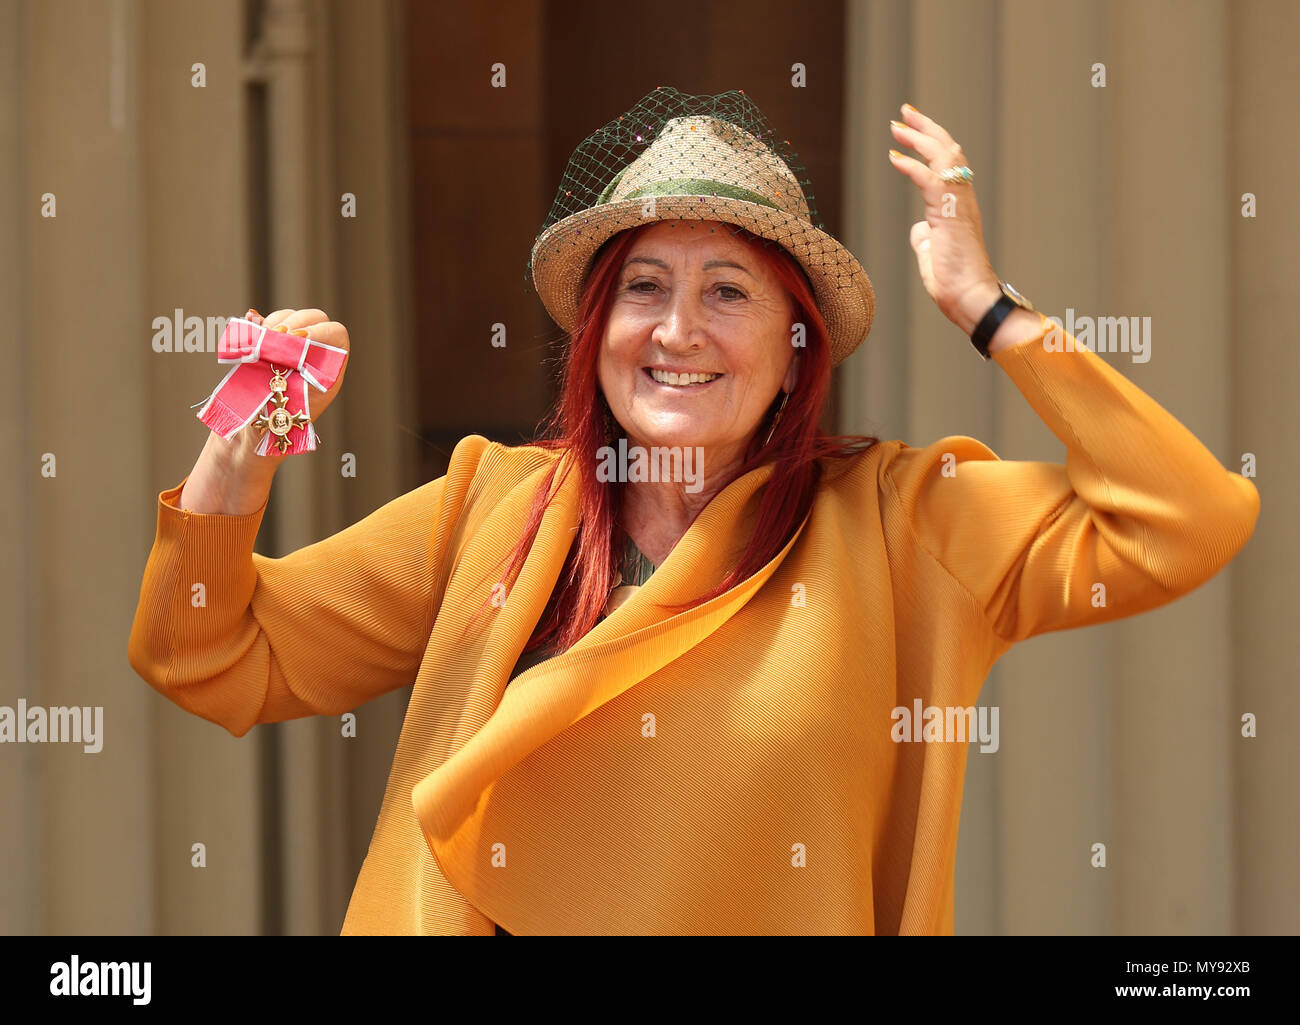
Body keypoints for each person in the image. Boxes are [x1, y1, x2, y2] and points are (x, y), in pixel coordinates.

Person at [127, 87, 1259, 935]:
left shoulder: (905, 521)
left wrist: (989, 309)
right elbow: (212, 653)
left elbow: (1182, 516)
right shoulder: (495, 502)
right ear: (595, 331)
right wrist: (239, 457)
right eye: (643, 287)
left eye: (727, 290)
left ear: (793, 341)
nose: (677, 331)